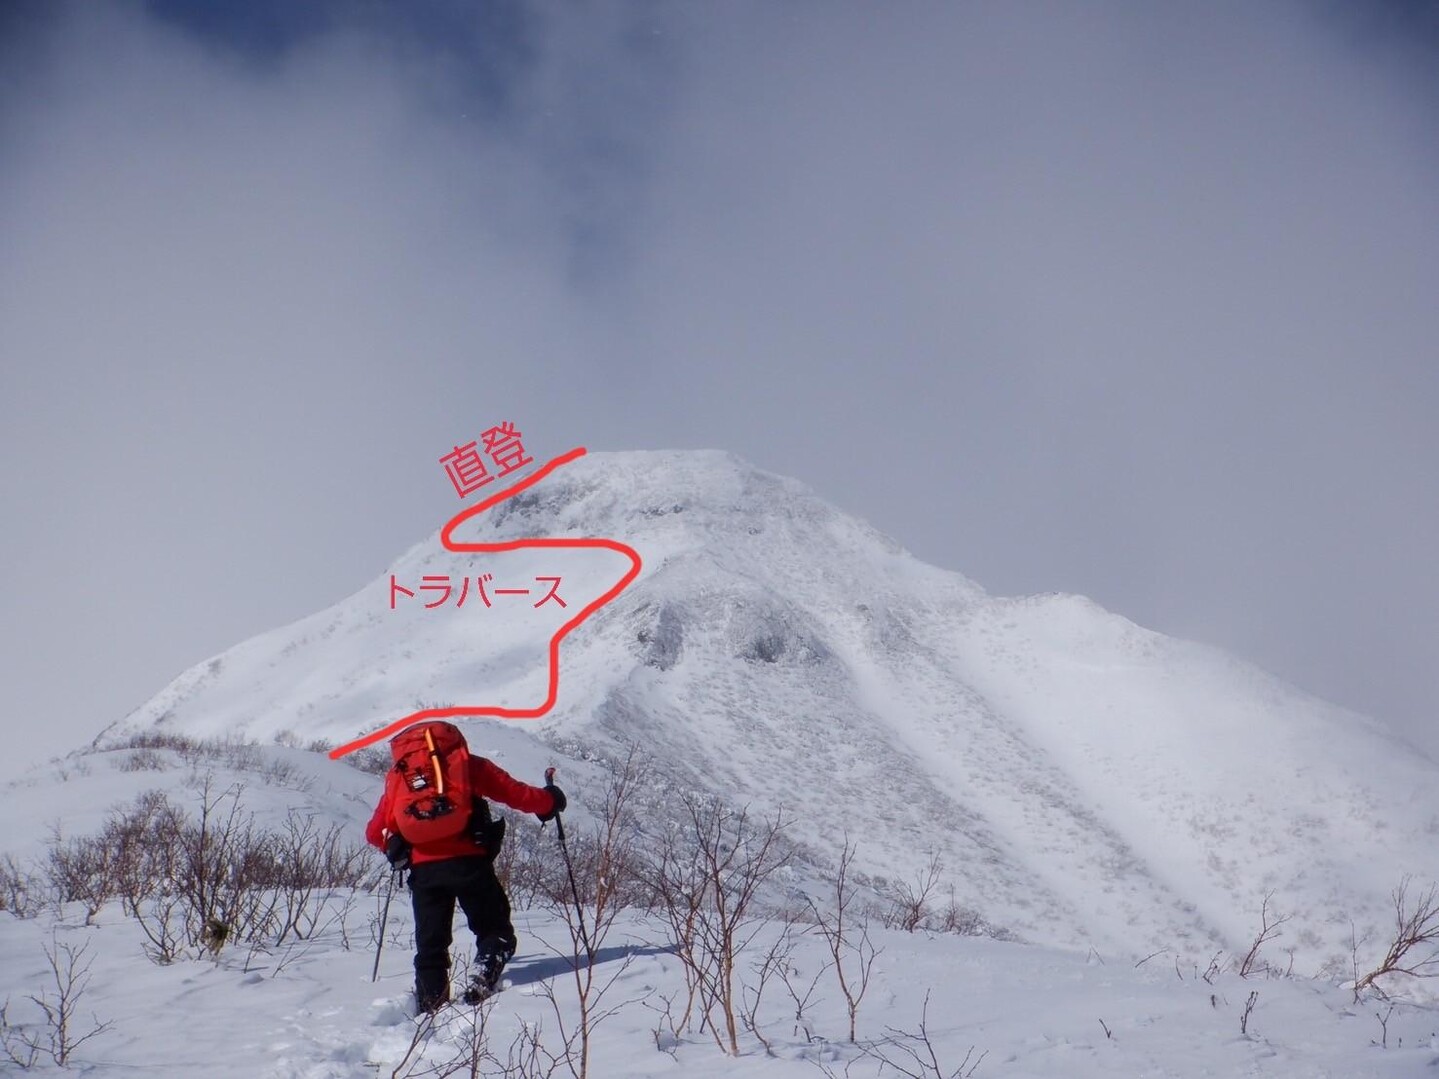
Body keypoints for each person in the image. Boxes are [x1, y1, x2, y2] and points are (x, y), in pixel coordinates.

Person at [365, 723, 566, 1011]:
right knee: (495, 930)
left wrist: (396, 844)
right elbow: (515, 793)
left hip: (424, 873)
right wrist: (550, 801)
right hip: (469, 865)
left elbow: (375, 833)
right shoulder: (467, 765)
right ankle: (482, 977)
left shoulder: (401, 777)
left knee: (431, 947)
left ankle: (430, 1008)